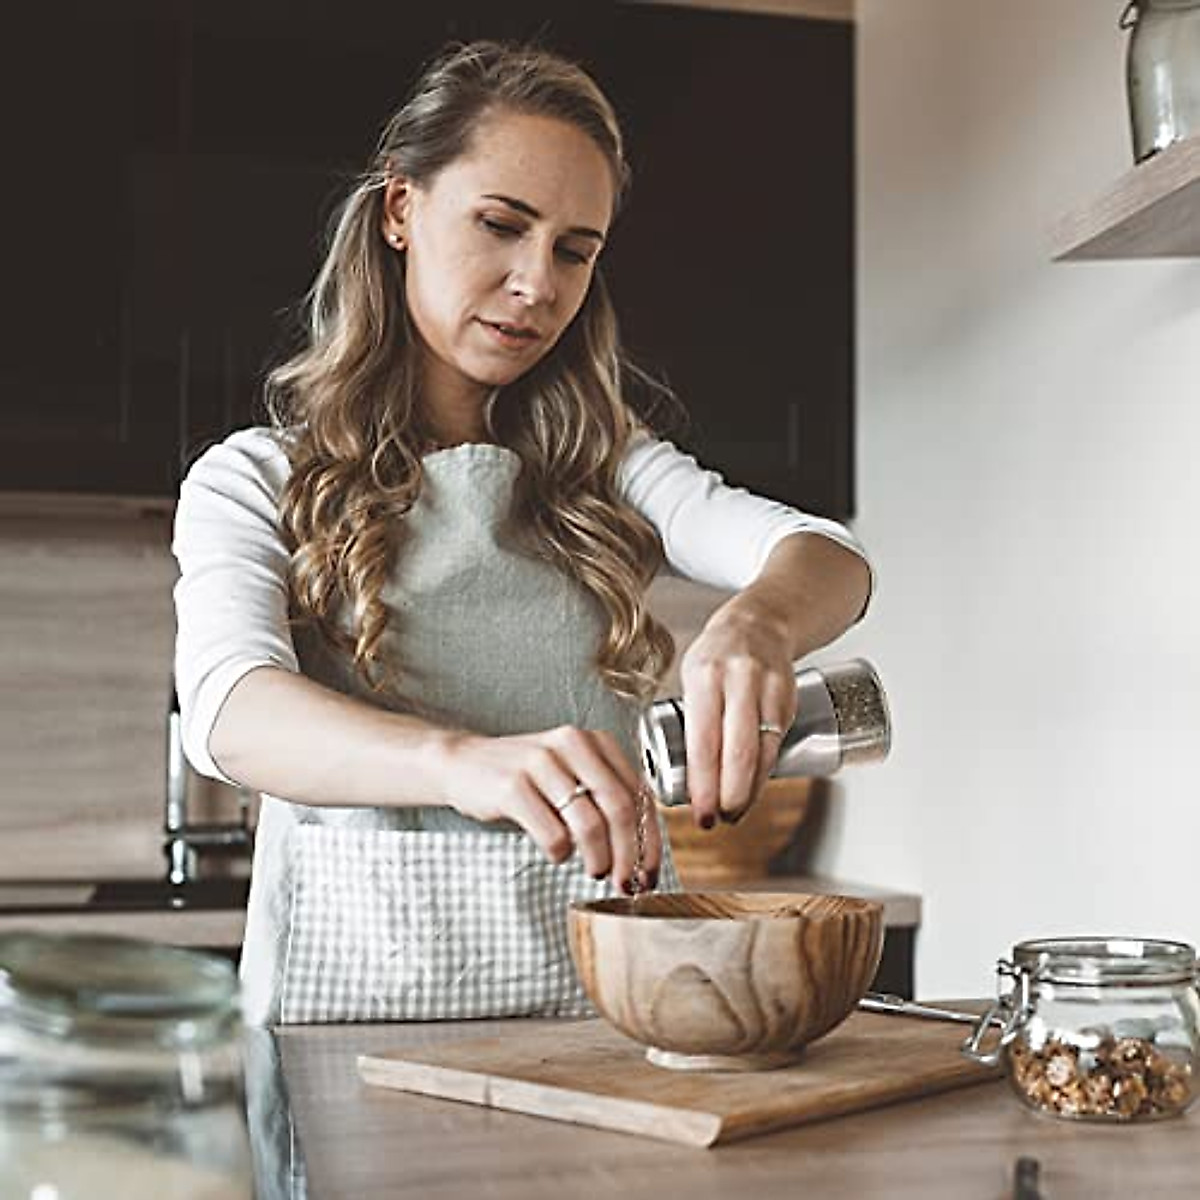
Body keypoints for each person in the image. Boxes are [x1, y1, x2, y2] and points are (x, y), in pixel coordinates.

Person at [172, 40, 872, 1027]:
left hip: (600, 1027)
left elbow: (826, 556)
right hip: (348, 1027)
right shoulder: (253, 478)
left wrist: (762, 623)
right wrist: (461, 763)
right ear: (400, 208)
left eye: (575, 251)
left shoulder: (610, 466)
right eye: (501, 226)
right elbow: (229, 714)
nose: (538, 283)